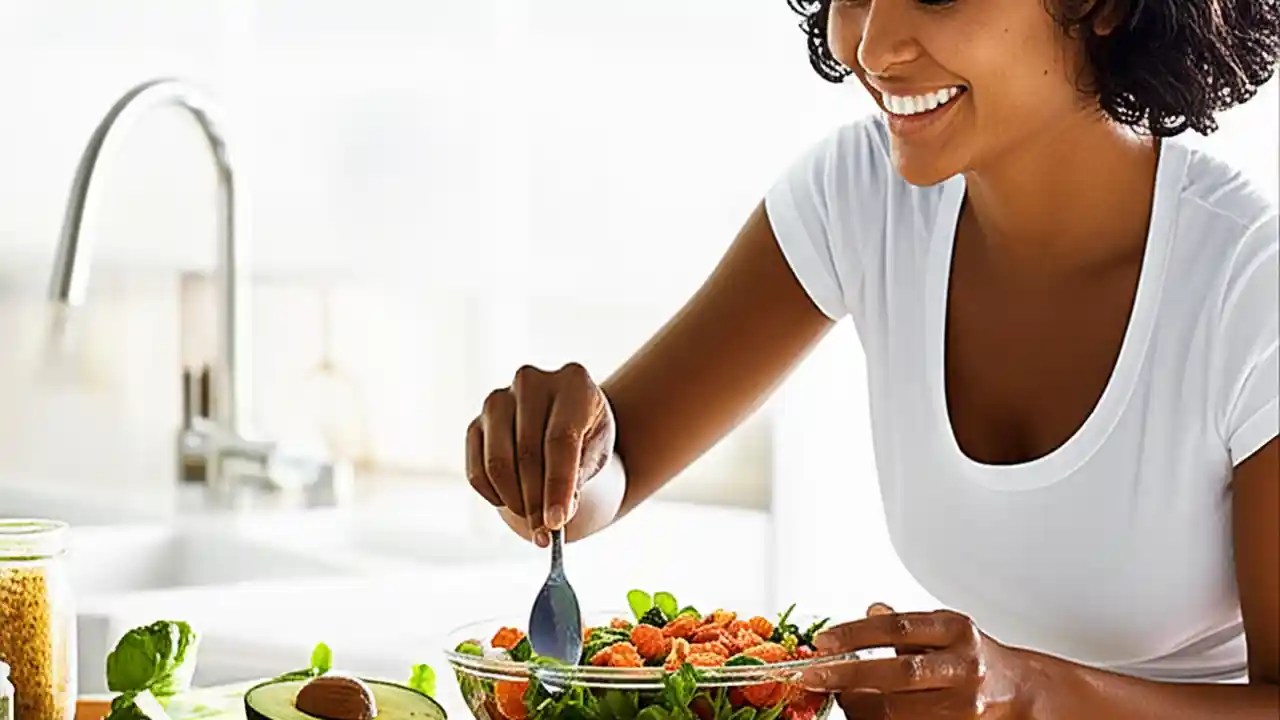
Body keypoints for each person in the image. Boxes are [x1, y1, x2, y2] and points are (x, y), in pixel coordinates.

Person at [464, 0, 1279, 716]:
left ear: (1099, 4)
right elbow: (616, 474)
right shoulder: (862, 196)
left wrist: (1029, 695)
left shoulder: (1250, 283)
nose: (872, 44)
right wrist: (562, 457)